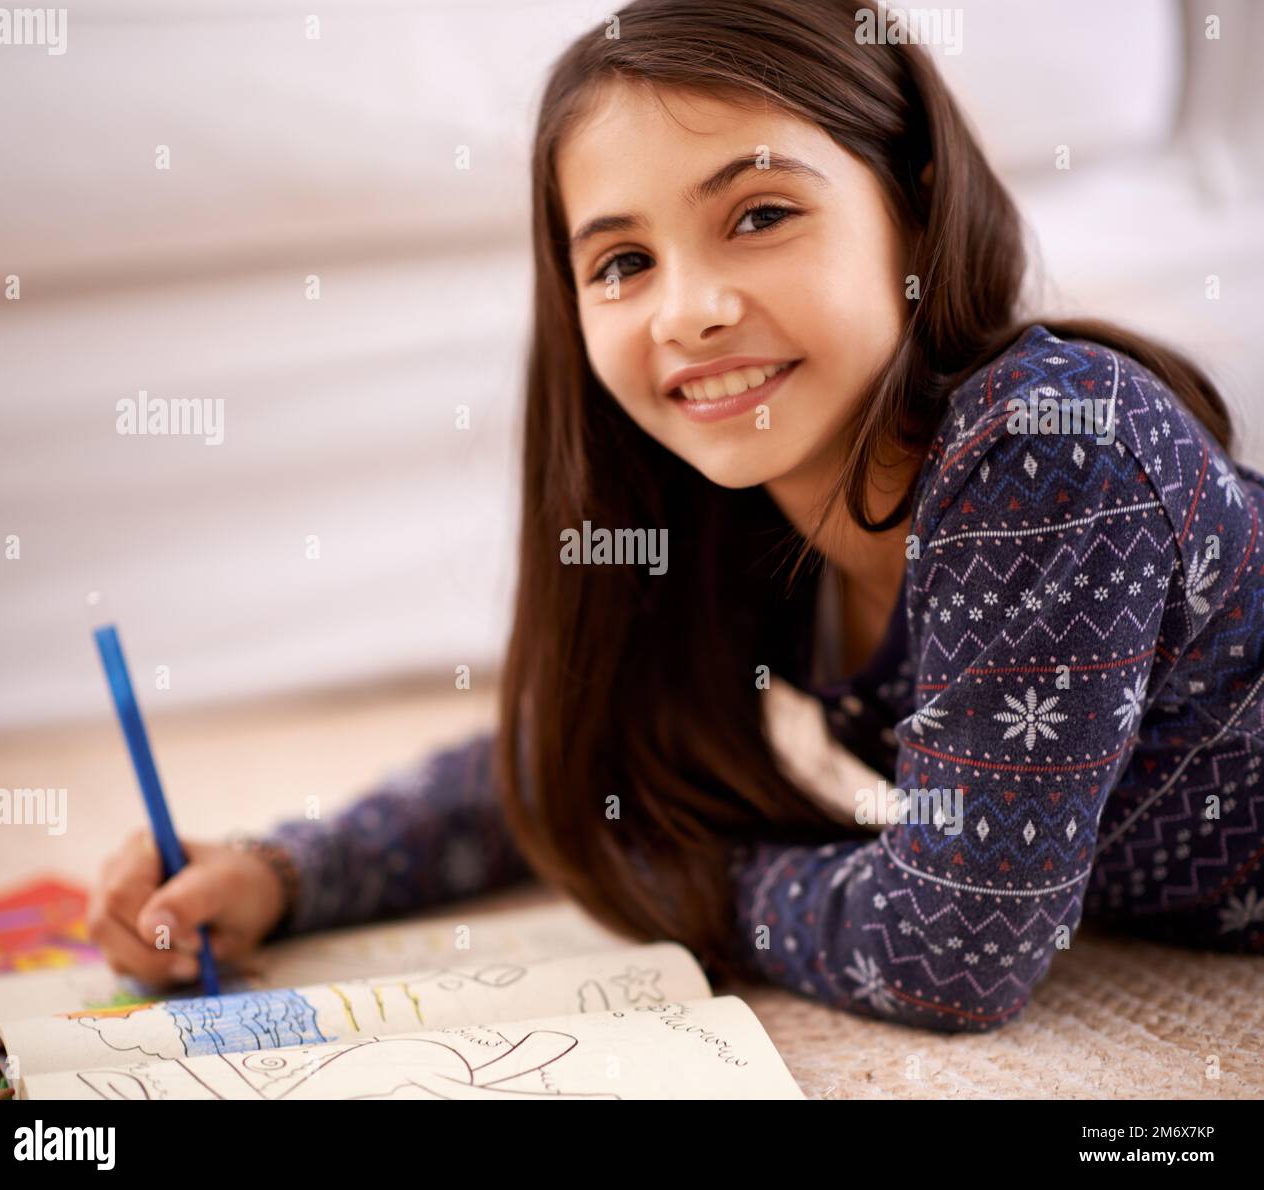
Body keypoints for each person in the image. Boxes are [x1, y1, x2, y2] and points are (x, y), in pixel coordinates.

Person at [88, 0, 1264, 1033]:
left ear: (909, 202)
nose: (690, 311)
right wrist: (281, 869)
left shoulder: (1049, 448)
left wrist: (662, 868)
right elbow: (576, 755)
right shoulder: (747, 507)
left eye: (757, 214)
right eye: (620, 263)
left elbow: (949, 953)